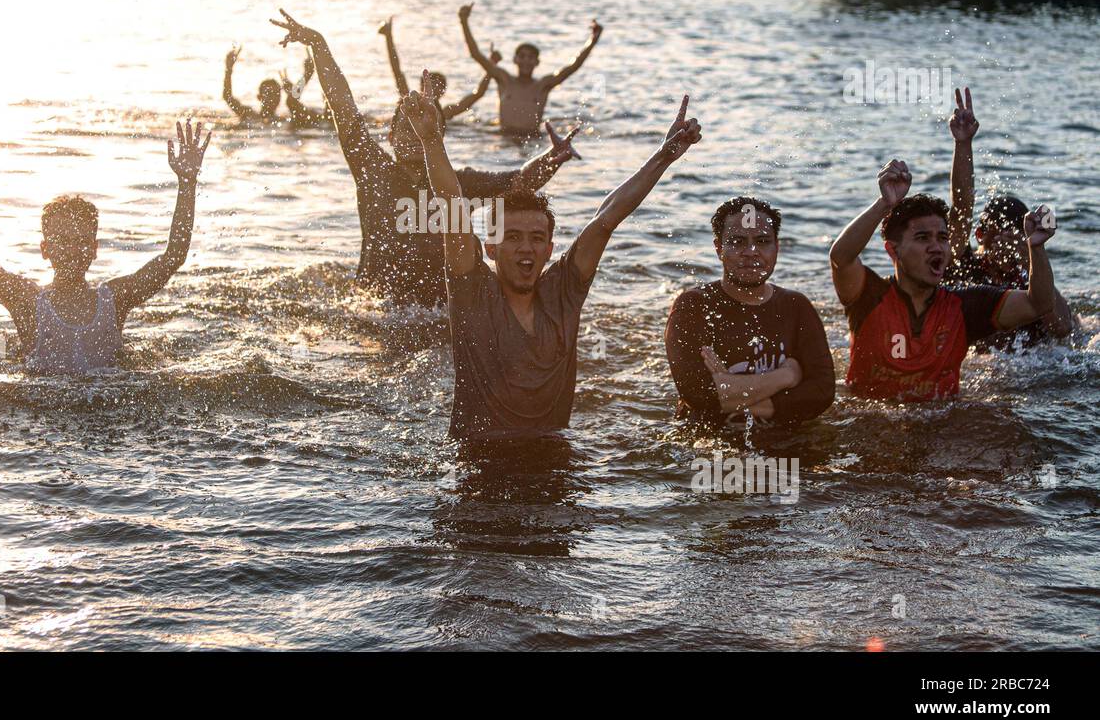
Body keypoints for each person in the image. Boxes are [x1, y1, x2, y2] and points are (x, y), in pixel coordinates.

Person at [402, 78, 702, 438]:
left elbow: (607, 217)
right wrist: (431, 142)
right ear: (491, 248)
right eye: (512, 238)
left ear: (549, 248)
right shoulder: (472, 291)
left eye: (536, 239)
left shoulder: (564, 290)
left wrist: (664, 155)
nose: (526, 248)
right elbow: (451, 202)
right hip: (479, 462)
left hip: (555, 457)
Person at [270, 10, 583, 309]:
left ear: (437, 138)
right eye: (404, 126)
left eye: (422, 128)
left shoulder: (459, 184)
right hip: (378, 306)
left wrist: (552, 158)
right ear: (390, 136)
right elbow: (343, 107)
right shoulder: (372, 168)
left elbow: (518, 182)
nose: (413, 134)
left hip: (440, 309)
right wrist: (318, 44)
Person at [0, 113, 212, 373]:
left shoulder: (114, 300)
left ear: (94, 249)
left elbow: (173, 256)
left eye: (81, 241)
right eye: (62, 241)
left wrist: (187, 183)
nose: (72, 250)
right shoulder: (28, 302)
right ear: (45, 250)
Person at [829, 158, 1059, 401]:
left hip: (940, 429)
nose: (936, 247)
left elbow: (1039, 304)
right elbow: (841, 258)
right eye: (922, 238)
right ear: (893, 250)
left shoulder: (964, 307)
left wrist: (1036, 248)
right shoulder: (869, 296)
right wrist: (884, 204)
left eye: (942, 237)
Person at [665, 197, 834, 432]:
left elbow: (822, 393)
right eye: (737, 242)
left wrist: (732, 392)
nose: (751, 252)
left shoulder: (796, 306)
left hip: (787, 441)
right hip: (710, 444)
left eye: (763, 241)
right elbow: (700, 396)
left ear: (777, 247)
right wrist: (785, 377)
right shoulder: (694, 306)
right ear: (718, 248)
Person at [943, 87, 1073, 345]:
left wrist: (1029, 256)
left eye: (1013, 236)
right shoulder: (962, 263)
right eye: (997, 234)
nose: (1004, 244)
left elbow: (1062, 328)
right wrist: (963, 144)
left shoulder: (1027, 276)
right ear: (980, 235)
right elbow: (961, 209)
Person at [458, 2, 602, 136]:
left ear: (537, 62)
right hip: (504, 140)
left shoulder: (543, 85)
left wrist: (592, 41)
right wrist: (464, 21)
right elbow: (476, 54)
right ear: (515, 59)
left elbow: (573, 67)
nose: (526, 60)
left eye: (530, 57)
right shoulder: (504, 79)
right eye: (522, 56)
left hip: (532, 140)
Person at [378, 16, 493, 121]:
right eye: (429, 85)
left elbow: (478, 94)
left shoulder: (446, 113)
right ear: (421, 87)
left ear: (443, 91)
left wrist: (492, 65)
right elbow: (397, 72)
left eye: (436, 86)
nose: (431, 90)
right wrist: (389, 37)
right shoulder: (408, 104)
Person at [222, 43, 325, 128]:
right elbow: (228, 97)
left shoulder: (284, 120)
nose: (274, 98)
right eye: (269, 94)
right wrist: (228, 69)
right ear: (259, 97)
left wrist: (306, 76)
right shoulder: (249, 115)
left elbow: (292, 102)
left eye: (277, 94)